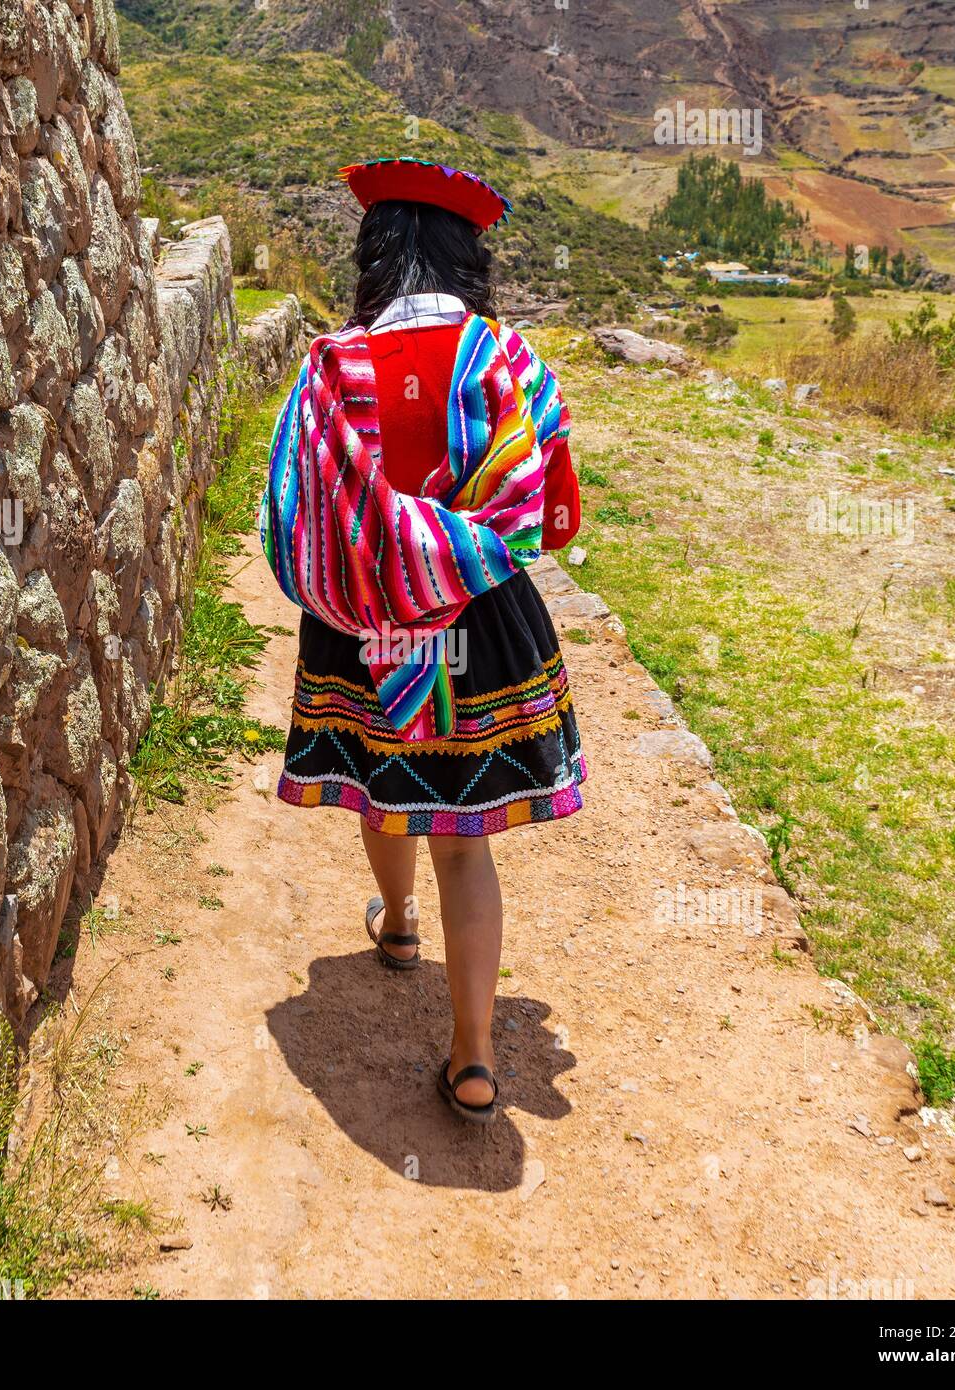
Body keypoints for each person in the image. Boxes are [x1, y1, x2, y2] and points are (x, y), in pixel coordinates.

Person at [260, 158, 585, 1123]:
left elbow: (294, 510)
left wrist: (388, 557)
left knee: (381, 780)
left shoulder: (333, 367)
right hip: (481, 627)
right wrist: (458, 543)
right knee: (468, 841)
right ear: (466, 258)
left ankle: (398, 928)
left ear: (376, 259)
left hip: (364, 625)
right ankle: (475, 1058)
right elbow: (553, 516)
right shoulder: (507, 364)